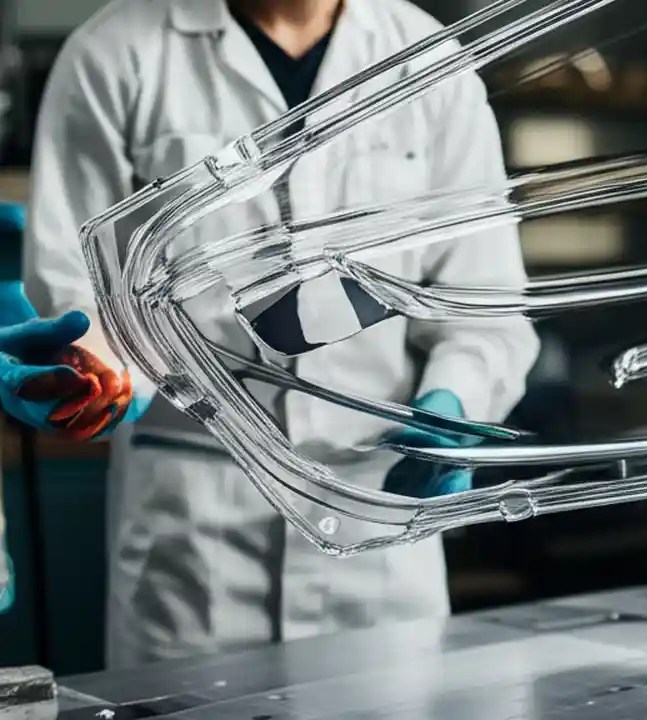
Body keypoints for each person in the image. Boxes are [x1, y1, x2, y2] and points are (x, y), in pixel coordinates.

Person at [20, 0, 538, 668]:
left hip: (374, 516)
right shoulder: (116, 52)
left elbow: (485, 305)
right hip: (195, 536)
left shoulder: (426, 57)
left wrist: (457, 403)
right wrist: (96, 374)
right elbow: (73, 288)